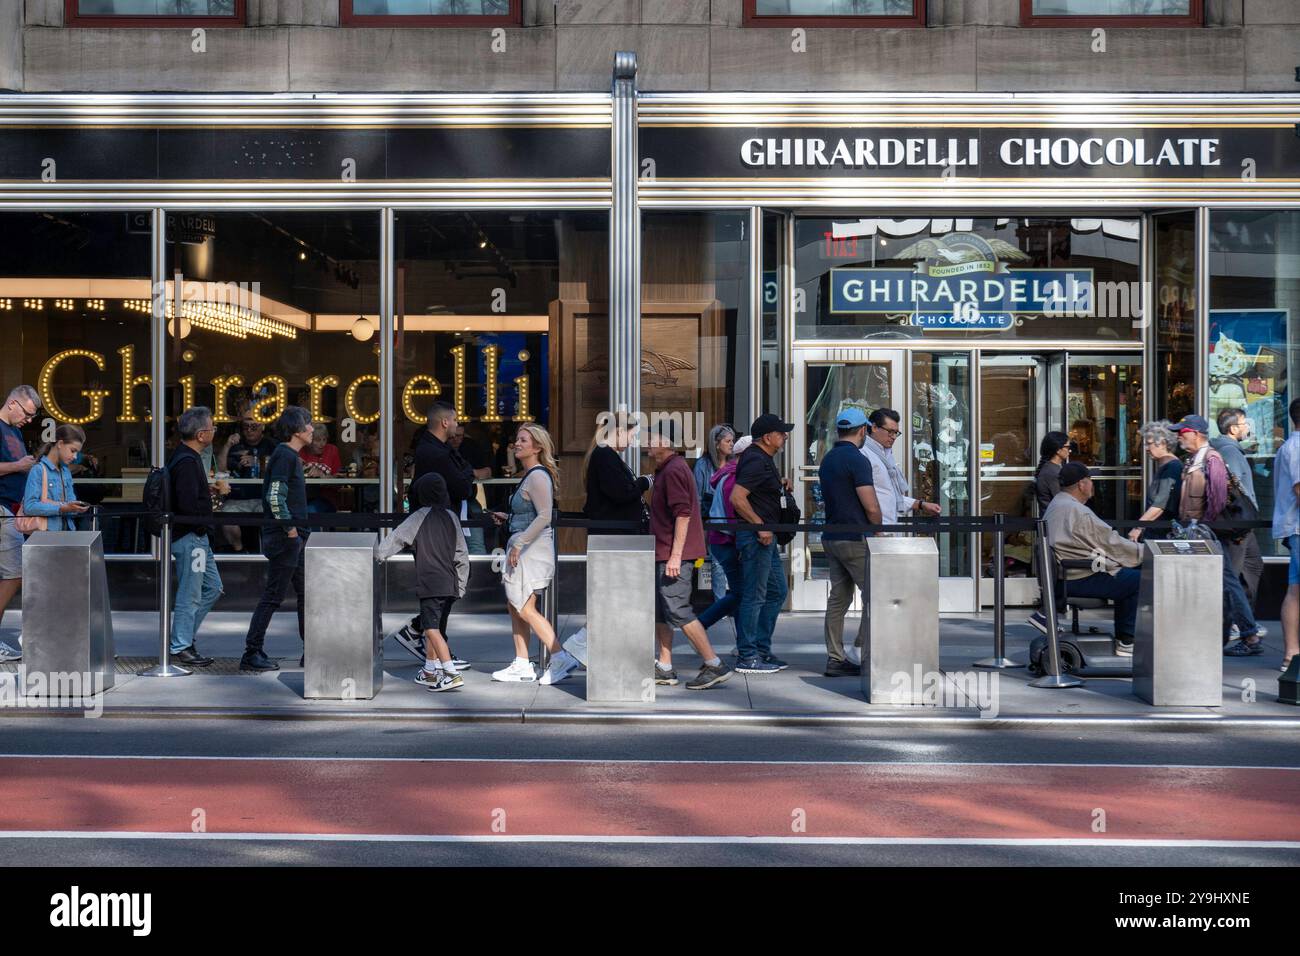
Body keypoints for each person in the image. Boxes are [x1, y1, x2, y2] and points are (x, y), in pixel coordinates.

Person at [489, 423, 580, 685]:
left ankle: (560, 656)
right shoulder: (530, 475)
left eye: (524, 440)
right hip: (527, 545)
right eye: (517, 439)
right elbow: (532, 513)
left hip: (531, 548)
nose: (517, 443)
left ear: (537, 447)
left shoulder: (538, 476)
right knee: (515, 605)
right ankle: (521, 663)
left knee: (524, 608)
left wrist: (519, 544)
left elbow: (544, 516)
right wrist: (509, 517)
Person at [646, 427, 732, 691]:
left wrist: (675, 556)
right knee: (663, 610)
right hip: (664, 552)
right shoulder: (669, 468)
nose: (646, 444)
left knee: (678, 609)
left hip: (674, 556)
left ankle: (713, 662)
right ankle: (665, 665)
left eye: (651, 439)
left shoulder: (673, 470)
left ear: (665, 443)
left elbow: (683, 515)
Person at [391, 400, 477, 665]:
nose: (457, 425)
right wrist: (468, 479)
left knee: (444, 590)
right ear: (444, 422)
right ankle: (436, 652)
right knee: (440, 591)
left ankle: (423, 637)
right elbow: (464, 487)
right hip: (434, 533)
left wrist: (466, 477)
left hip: (439, 529)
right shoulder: (435, 453)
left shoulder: (437, 449)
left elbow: (465, 477)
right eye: (455, 420)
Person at [563, 419, 652, 666]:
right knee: (615, 595)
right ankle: (585, 641)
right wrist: (644, 482)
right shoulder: (605, 456)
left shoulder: (604, 455)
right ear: (620, 432)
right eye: (631, 435)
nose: (633, 441)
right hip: (614, 537)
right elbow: (621, 493)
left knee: (615, 595)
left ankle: (594, 643)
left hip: (614, 536)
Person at [1174, 414, 1265, 655]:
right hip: (1199, 533)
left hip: (1209, 534)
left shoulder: (1211, 459)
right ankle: (1237, 634)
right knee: (1223, 582)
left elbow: (1218, 501)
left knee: (1228, 582)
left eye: (1182, 433)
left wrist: (1204, 526)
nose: (1179, 437)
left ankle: (1248, 635)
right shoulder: (1194, 459)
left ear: (1196, 433)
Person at [376, 473, 470, 692]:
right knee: (436, 626)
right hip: (451, 582)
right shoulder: (451, 516)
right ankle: (429, 670)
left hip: (430, 582)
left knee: (430, 629)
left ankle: (450, 673)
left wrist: (376, 556)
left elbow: (396, 539)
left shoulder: (419, 516)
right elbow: (462, 553)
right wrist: (462, 585)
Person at [240, 406, 314, 672]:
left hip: (293, 537)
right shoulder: (285, 456)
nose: (312, 429)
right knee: (273, 595)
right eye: (309, 424)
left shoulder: (288, 456)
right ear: (297, 430)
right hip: (287, 538)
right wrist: (291, 531)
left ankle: (312, 650)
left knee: (306, 594)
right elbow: (274, 496)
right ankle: (252, 651)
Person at [1041, 462, 1143, 653]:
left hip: (1066, 575)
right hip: (1079, 576)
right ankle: (1127, 640)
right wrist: (1146, 552)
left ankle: (1126, 637)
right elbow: (1111, 543)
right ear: (1081, 484)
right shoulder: (1077, 511)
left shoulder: (1057, 503)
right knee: (1138, 581)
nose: (1092, 485)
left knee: (1129, 575)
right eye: (1090, 480)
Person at [817, 407, 882, 677]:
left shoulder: (828, 459)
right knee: (876, 597)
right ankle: (859, 651)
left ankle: (834, 657)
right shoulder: (858, 459)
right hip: (856, 538)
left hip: (832, 537)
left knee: (838, 600)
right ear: (862, 430)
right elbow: (870, 504)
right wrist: (879, 529)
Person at [730, 413, 794, 675]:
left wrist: (778, 485)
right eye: (781, 433)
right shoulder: (756, 459)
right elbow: (737, 497)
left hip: (764, 537)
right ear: (767, 437)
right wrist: (759, 525)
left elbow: (754, 490)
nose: (785, 436)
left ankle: (760, 648)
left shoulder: (762, 460)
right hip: (756, 537)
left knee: (777, 591)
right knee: (754, 596)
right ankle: (747, 655)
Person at [166, 407, 229, 667]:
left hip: (196, 537)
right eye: (212, 427)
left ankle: (184, 638)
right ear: (202, 434)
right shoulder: (188, 461)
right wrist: (217, 495)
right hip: (192, 537)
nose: (214, 430)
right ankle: (181, 645)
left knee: (213, 588)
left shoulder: (185, 458)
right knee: (190, 593)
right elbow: (190, 505)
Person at [695, 434, 749, 656]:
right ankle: (701, 626)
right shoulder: (734, 479)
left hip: (723, 541)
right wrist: (740, 546)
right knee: (741, 593)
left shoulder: (729, 475)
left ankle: (742, 643)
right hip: (726, 542)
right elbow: (730, 517)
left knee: (738, 592)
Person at [1212, 407, 1265, 616]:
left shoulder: (1229, 449)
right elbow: (1231, 488)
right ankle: (1233, 621)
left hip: (1244, 523)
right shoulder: (1230, 451)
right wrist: (1237, 521)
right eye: (1245, 424)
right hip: (1239, 522)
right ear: (1233, 429)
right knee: (1233, 572)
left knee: (1253, 565)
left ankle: (1244, 619)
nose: (1247, 428)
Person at [0, 384, 39, 661]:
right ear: (13, 403)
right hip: (2, 510)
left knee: (13, 574)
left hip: (12, 511)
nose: (29, 419)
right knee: (14, 574)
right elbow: (13, 467)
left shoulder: (14, 431)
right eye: (27, 413)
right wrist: (18, 466)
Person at [860, 408, 941, 526]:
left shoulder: (886, 456)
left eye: (896, 433)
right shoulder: (863, 454)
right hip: (876, 529)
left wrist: (921, 505)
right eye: (890, 431)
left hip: (890, 526)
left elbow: (892, 495)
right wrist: (877, 530)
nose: (893, 437)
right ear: (874, 427)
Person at [694, 423, 737, 643]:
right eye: (728, 441)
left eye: (732, 441)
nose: (731, 444)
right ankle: (721, 603)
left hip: (732, 522)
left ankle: (729, 602)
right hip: (711, 520)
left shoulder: (733, 465)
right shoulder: (703, 465)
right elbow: (698, 496)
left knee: (728, 565)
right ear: (716, 443)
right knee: (717, 565)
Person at [1272, 398, 1300, 674]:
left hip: (1294, 528)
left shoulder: (1289, 446)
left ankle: (1292, 654)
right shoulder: (1299, 447)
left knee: (1295, 589)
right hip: (1298, 527)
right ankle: (1291, 653)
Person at [221, 414, 277, 552]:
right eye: (246, 427)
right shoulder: (236, 445)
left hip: (264, 498)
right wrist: (227, 445)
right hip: (237, 499)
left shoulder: (272, 445)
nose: (249, 430)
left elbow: (281, 469)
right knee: (226, 517)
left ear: (263, 426)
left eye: (254, 426)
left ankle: (267, 556)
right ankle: (240, 553)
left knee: (272, 519)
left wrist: (257, 462)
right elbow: (221, 470)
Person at [21, 424, 90, 533]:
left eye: (77, 452)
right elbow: (29, 507)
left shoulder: (66, 471)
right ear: (60, 444)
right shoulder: (38, 470)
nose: (75, 457)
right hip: (46, 535)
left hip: (68, 533)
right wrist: (62, 508)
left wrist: (75, 508)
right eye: (73, 450)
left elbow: (70, 505)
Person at [1129, 420, 1182, 542]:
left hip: (1164, 535)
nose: (1146, 449)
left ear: (1163, 444)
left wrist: (1138, 527)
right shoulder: (1165, 466)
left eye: (1149, 444)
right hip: (1158, 532)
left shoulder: (1172, 468)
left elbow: (1160, 505)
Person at [299, 422, 342, 514]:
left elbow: (339, 481)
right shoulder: (301, 451)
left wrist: (323, 476)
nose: (322, 444)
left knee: (310, 510)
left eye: (324, 440)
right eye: (317, 440)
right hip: (302, 498)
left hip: (327, 499)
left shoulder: (332, 450)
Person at [1033, 431, 1072, 513]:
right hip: (1054, 520)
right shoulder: (1051, 472)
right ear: (1058, 450)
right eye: (1067, 447)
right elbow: (1062, 500)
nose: (1070, 450)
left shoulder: (1052, 469)